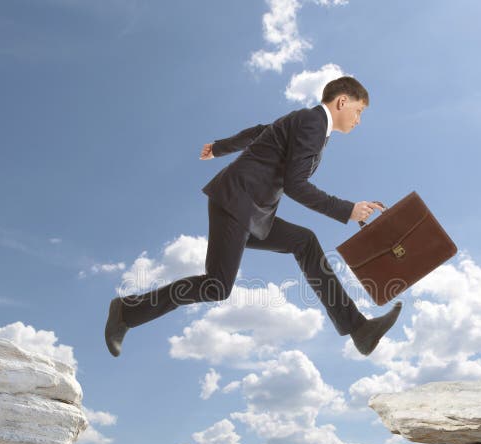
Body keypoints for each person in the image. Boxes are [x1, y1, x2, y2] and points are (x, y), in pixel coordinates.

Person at [105, 76, 401, 358]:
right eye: (359, 111)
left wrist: (219, 148)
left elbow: (260, 131)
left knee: (305, 242)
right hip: (236, 202)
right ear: (342, 101)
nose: (359, 119)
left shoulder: (308, 122)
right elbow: (295, 185)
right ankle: (126, 311)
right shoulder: (312, 123)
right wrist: (346, 209)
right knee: (217, 286)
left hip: (253, 211)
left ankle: (358, 329)